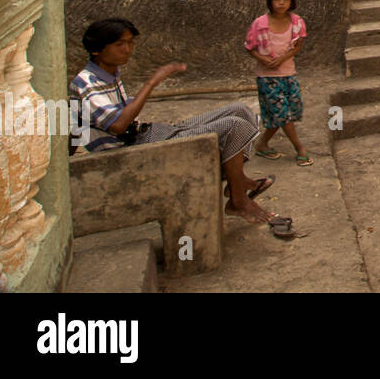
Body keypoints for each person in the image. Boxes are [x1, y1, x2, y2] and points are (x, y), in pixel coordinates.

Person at [69, 18, 294, 238]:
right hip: (130, 150)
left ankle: (237, 180)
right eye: (120, 44)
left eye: (130, 43)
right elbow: (118, 125)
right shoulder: (87, 82)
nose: (128, 49)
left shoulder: (111, 73)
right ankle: (238, 199)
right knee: (233, 126)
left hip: (148, 133)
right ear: (97, 50)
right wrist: (151, 84)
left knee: (241, 110)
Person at [245, 0, 311, 166]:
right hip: (267, 77)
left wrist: (283, 59)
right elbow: (249, 47)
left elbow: (298, 46)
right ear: (270, 1)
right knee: (282, 113)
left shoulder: (297, 22)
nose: (281, 3)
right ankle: (299, 147)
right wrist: (262, 59)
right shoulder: (260, 24)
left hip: (289, 73)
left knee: (290, 110)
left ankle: (263, 144)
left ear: (292, 1)